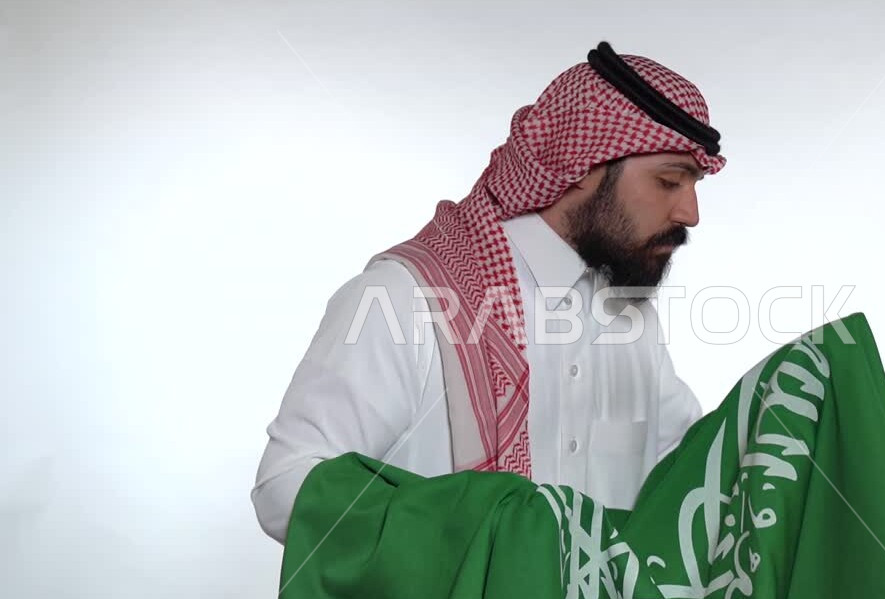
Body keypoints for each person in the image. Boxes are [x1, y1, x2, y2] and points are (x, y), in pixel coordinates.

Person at [251, 41, 727, 544]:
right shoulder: (405, 299)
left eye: (693, 185)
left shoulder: (629, 315)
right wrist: (473, 535)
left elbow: (686, 474)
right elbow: (285, 487)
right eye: (669, 181)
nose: (690, 213)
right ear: (583, 166)